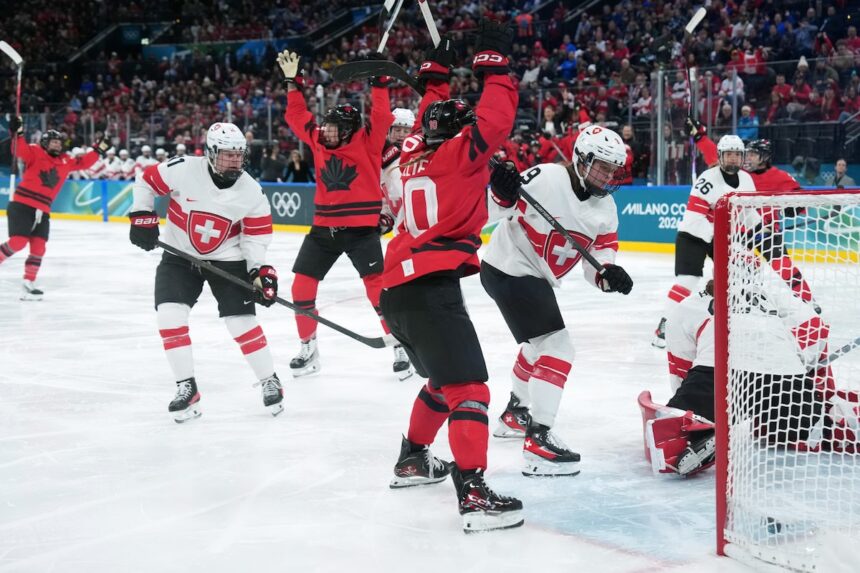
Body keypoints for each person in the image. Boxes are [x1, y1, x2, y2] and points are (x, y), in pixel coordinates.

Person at [380, 25, 524, 533]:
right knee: (470, 392)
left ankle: (413, 458)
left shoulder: (414, 152)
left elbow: (429, 115)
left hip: (396, 289)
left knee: (441, 384)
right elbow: (495, 119)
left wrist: (436, 77)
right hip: (429, 290)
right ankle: (473, 493)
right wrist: (496, 72)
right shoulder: (462, 156)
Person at [482, 125, 632, 477]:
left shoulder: (606, 208)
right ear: (581, 159)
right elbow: (492, 213)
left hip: (534, 277)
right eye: (602, 166)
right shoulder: (545, 178)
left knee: (538, 348)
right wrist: (502, 195)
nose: (608, 175)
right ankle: (539, 436)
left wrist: (609, 275)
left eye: (613, 169)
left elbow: (600, 257)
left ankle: (515, 412)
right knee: (559, 347)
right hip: (508, 267)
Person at [128, 122, 283, 422]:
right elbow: (145, 182)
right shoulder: (183, 168)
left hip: (227, 258)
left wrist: (258, 271)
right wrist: (142, 215)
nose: (234, 162)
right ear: (210, 153)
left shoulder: (252, 191)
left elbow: (255, 236)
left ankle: (269, 379)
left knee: (241, 322)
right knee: (169, 316)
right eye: (227, 155)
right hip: (179, 254)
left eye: (239, 156)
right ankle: (187, 387)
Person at [277, 49, 404, 379]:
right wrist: (292, 84)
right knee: (301, 289)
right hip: (323, 229)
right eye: (327, 126)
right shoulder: (319, 139)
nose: (327, 132)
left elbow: (381, 116)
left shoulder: (369, 141)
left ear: (349, 130)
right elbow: (297, 116)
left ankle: (400, 344)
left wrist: (379, 82)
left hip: (362, 230)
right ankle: (308, 347)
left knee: (378, 290)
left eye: (334, 128)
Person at [686, 122, 816, 308]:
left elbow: (801, 201)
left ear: (764, 157)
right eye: (746, 154)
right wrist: (700, 138)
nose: (747, 158)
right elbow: (715, 156)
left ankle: (808, 300)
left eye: (753, 154)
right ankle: (738, 299)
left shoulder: (781, 177)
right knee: (739, 266)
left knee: (784, 266)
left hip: (766, 231)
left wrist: (792, 208)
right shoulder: (740, 173)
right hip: (739, 232)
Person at [653, 134, 755, 348]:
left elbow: (748, 215)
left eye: (737, 155)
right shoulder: (708, 179)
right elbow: (694, 218)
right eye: (729, 155)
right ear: (720, 156)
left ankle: (734, 318)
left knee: (744, 267)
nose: (734, 159)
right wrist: (723, 238)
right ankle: (665, 324)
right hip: (693, 235)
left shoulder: (746, 180)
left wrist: (759, 230)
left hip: (719, 236)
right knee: (687, 282)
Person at [0, 117, 106, 299]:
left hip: (43, 210)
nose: (57, 145)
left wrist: (98, 149)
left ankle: (29, 282)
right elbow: (19, 150)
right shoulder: (34, 152)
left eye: (59, 142)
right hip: (22, 205)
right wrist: (17, 133)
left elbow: (85, 162)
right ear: (44, 143)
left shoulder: (66, 160)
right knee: (18, 242)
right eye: (53, 142)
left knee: (39, 247)